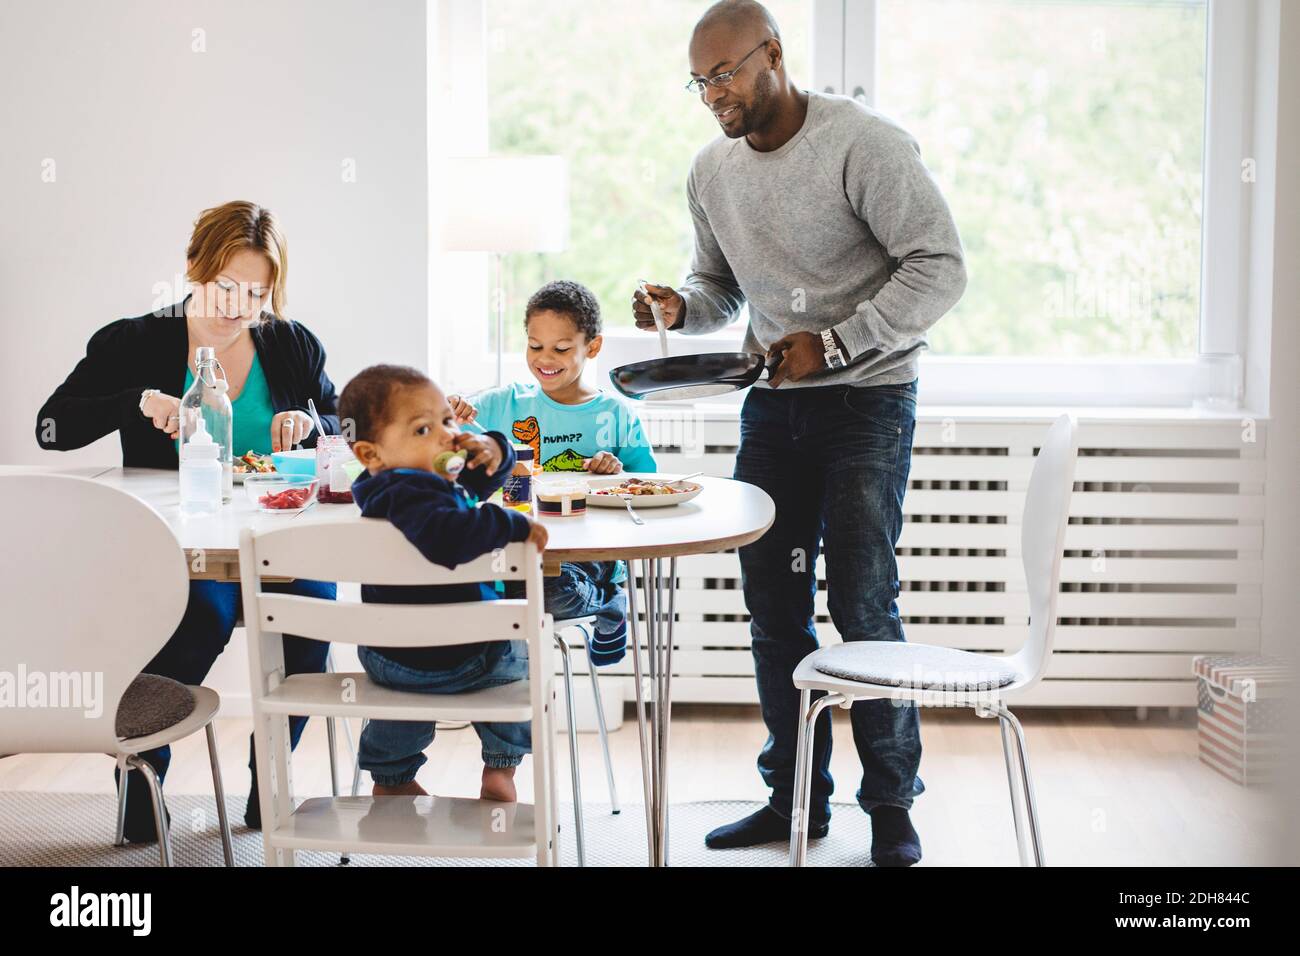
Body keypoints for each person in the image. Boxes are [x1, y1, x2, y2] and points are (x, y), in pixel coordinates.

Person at [632, 0, 967, 865]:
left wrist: (841, 343)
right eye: (699, 81)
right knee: (774, 612)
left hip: (868, 404)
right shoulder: (711, 171)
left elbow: (941, 266)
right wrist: (681, 306)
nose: (711, 95)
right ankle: (795, 801)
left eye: (725, 74)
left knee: (862, 605)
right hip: (774, 412)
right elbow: (719, 291)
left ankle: (891, 808)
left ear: (772, 54)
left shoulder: (863, 144)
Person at [35, 200, 340, 841]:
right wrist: (133, 402)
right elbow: (51, 428)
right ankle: (142, 775)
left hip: (278, 542)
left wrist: (315, 427)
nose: (238, 306)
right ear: (193, 270)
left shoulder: (291, 344)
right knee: (197, 617)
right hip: (178, 546)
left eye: (256, 292)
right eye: (225, 286)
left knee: (313, 626)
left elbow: (344, 429)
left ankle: (271, 780)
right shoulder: (135, 341)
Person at [339, 364, 549, 801]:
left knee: (401, 705)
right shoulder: (412, 495)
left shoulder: (401, 487)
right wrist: (510, 524)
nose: (446, 436)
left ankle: (391, 776)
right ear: (370, 454)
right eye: (423, 429)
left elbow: (471, 488)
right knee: (517, 651)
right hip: (466, 656)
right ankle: (502, 766)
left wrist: (494, 448)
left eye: (448, 420)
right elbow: (448, 537)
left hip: (391, 659)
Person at [453, 279, 656, 667]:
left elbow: (645, 487)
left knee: (545, 589)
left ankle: (609, 600)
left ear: (592, 347)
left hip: (579, 561)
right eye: (535, 346)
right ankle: (500, 677)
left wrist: (614, 471)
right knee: (472, 593)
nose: (545, 359)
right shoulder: (502, 403)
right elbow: (446, 430)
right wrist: (452, 410)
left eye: (561, 349)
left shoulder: (614, 415)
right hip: (509, 551)